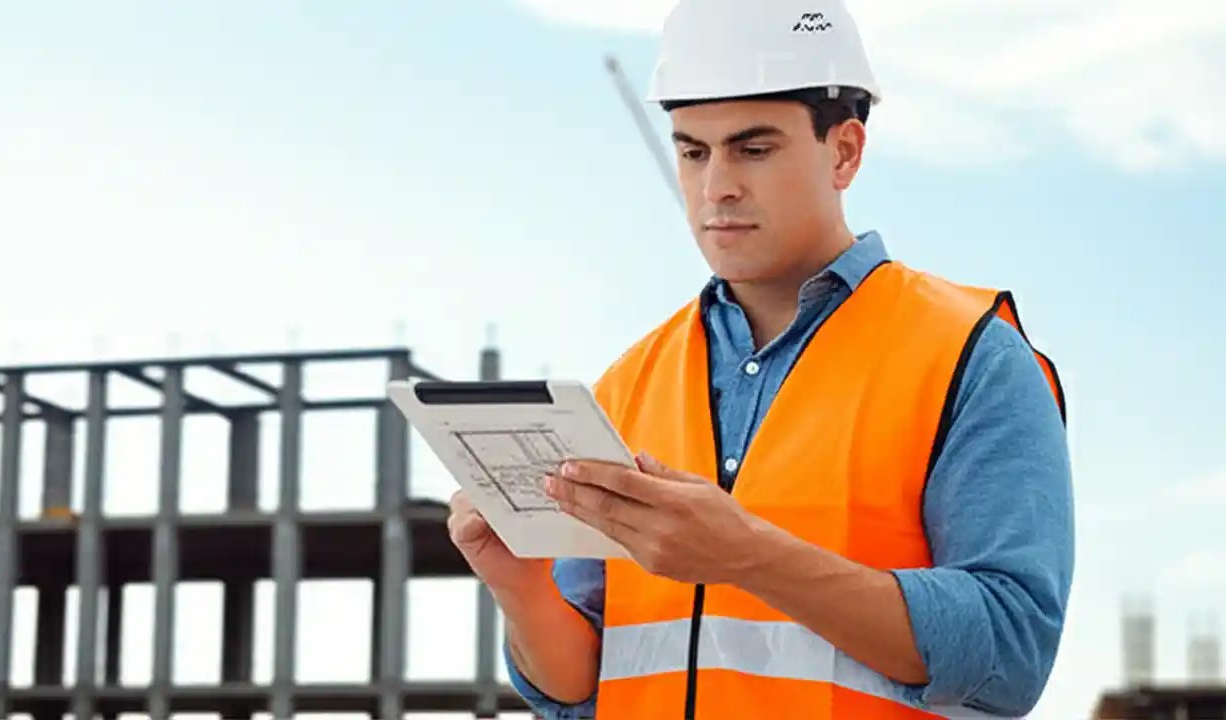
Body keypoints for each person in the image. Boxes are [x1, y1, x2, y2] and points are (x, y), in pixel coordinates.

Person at [446, 0, 1074, 717]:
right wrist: (520, 589)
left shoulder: (972, 356)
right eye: (692, 151)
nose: (716, 188)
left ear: (844, 152)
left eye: (753, 148)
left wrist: (748, 555)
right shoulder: (629, 383)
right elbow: (582, 685)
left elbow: (1009, 654)